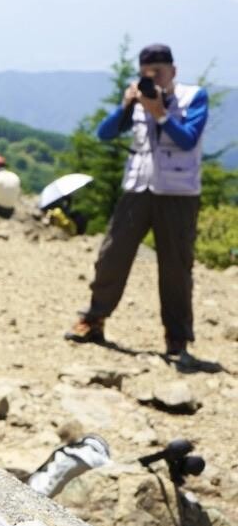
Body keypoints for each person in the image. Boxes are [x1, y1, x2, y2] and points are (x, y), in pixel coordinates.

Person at [65, 43, 209, 369]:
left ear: (173, 70)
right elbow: (104, 133)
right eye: (147, 73)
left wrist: (160, 113)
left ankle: (177, 337)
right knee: (112, 256)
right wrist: (127, 105)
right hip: (137, 189)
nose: (153, 79)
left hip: (179, 193)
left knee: (175, 267)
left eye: (158, 71)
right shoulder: (140, 100)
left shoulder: (193, 97)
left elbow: (188, 138)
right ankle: (94, 319)